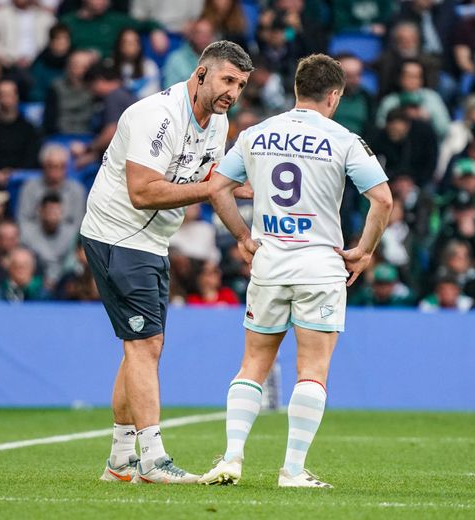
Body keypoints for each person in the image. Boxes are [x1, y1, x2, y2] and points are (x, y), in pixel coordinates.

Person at [197, 54, 392, 488]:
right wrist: (362, 250)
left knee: (252, 364)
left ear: (297, 90)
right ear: (335, 95)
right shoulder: (343, 139)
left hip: (269, 262)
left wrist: (244, 237)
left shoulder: (256, 133)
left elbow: (217, 188)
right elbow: (383, 199)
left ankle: (231, 458)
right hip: (320, 266)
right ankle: (292, 470)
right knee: (312, 370)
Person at [79, 41, 253, 484]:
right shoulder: (155, 115)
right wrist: (216, 188)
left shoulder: (218, 122)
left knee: (141, 347)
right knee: (145, 346)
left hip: (153, 241)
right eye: (227, 80)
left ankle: (120, 461)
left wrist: (243, 234)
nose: (233, 92)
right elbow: (143, 191)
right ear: (200, 74)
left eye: (241, 85)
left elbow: (213, 185)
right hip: (117, 233)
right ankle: (153, 460)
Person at [0, 79, 42, 187]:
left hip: (21, 181)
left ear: (16, 96)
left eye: (10, 94)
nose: (6, 98)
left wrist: (14, 173)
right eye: (3, 94)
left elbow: (31, 158)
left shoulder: (29, 128)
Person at [17, 144, 86, 230]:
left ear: (66, 168)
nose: (55, 171)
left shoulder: (76, 190)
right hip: (32, 240)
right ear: (43, 166)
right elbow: (23, 221)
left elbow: (78, 224)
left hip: (68, 241)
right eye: (51, 166)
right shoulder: (29, 188)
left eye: (61, 166)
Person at [21, 193, 77, 288]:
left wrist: (56, 279)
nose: (53, 216)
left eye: (57, 211)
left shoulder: (71, 233)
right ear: (41, 211)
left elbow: (71, 263)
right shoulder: (27, 232)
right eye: (50, 211)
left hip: (63, 280)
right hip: (35, 279)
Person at [0, 0, 56, 70]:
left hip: (39, 65)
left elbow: (51, 44)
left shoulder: (47, 18)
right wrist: (7, 60)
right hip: (7, 65)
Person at [43, 50, 96, 135]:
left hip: (89, 138)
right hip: (60, 136)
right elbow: (49, 122)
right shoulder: (55, 88)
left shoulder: (96, 90)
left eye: (84, 67)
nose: (78, 70)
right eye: (75, 65)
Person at [111, 27, 161, 100]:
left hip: (144, 104)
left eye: (135, 42)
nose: (132, 45)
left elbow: (153, 93)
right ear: (120, 46)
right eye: (128, 42)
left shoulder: (149, 65)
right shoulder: (111, 65)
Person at [29, 23, 72, 103]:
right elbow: (35, 90)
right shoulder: (41, 62)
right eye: (58, 39)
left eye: (65, 38)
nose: (62, 42)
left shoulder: (74, 61)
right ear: (51, 41)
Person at [348, 263, 414, 307]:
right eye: (380, 283)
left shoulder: (405, 298)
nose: (383, 288)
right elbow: (350, 308)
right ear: (374, 284)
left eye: (387, 284)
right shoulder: (364, 296)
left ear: (394, 283)